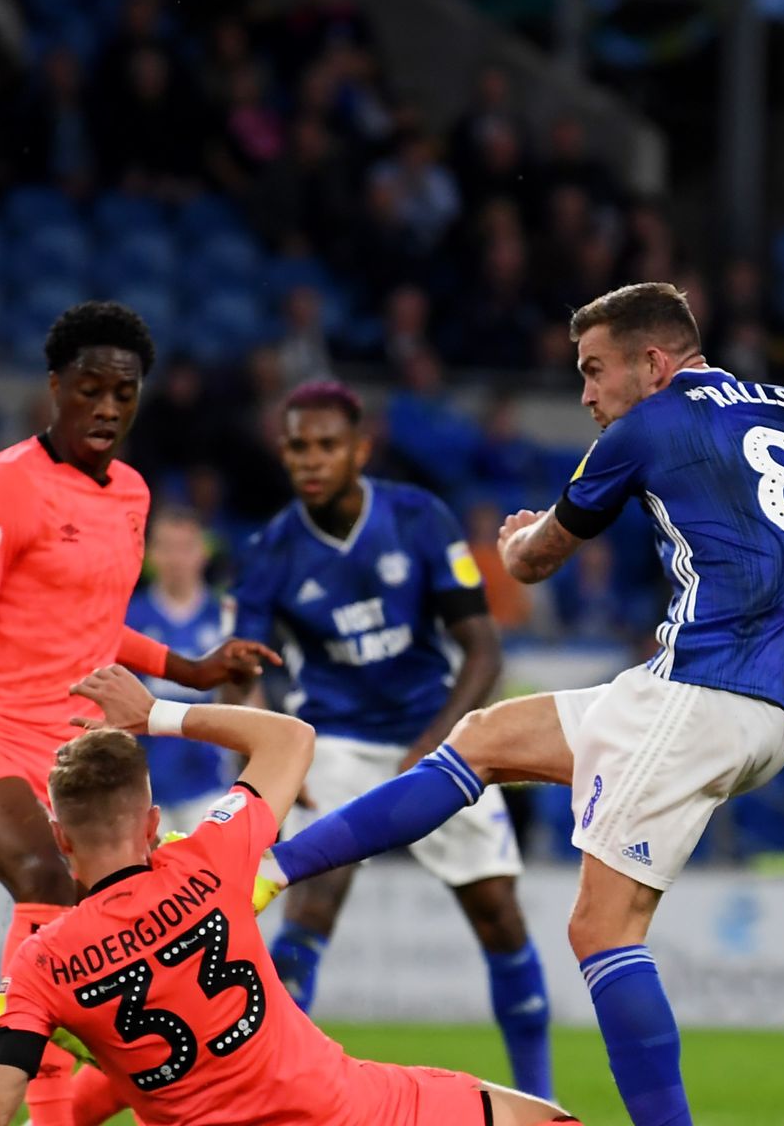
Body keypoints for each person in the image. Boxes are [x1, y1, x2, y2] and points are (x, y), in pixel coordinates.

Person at [250, 283, 784, 1125]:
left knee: (601, 934)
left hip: (704, 692)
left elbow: (533, 563)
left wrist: (517, 537)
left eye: (594, 371)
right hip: (742, 708)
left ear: (653, 363)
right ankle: (270, 868)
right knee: (482, 739)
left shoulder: (647, 427)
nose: (586, 394)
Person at [0, 302, 278, 1126]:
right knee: (48, 877)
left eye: (125, 392)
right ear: (54, 388)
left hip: (77, 747)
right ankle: (20, 1105)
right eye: (91, 389)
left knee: (148, 955)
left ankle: (76, 1106)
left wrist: (191, 668)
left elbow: (86, 617)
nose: (109, 408)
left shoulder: (132, 495)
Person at [0, 664, 580, 1126]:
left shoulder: (41, 963)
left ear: (61, 839)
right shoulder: (208, 860)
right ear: (150, 825)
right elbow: (291, 739)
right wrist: (156, 714)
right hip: (352, 1112)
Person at [231, 379, 551, 1097]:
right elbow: (239, 674)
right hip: (334, 744)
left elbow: (484, 652)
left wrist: (440, 746)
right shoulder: (270, 550)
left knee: (499, 916)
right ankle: (270, 1093)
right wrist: (265, 761)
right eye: (297, 447)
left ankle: (539, 1097)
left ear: (360, 449)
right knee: (310, 903)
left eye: (326, 445)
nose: (310, 460)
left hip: (436, 739)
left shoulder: (419, 518)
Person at [125, 507, 235, 833]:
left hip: (211, 783)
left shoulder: (225, 619)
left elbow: (247, 695)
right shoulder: (128, 616)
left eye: (185, 547)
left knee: (208, 881)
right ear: (150, 554)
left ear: (204, 551)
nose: (176, 558)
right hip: (141, 786)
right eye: (166, 547)